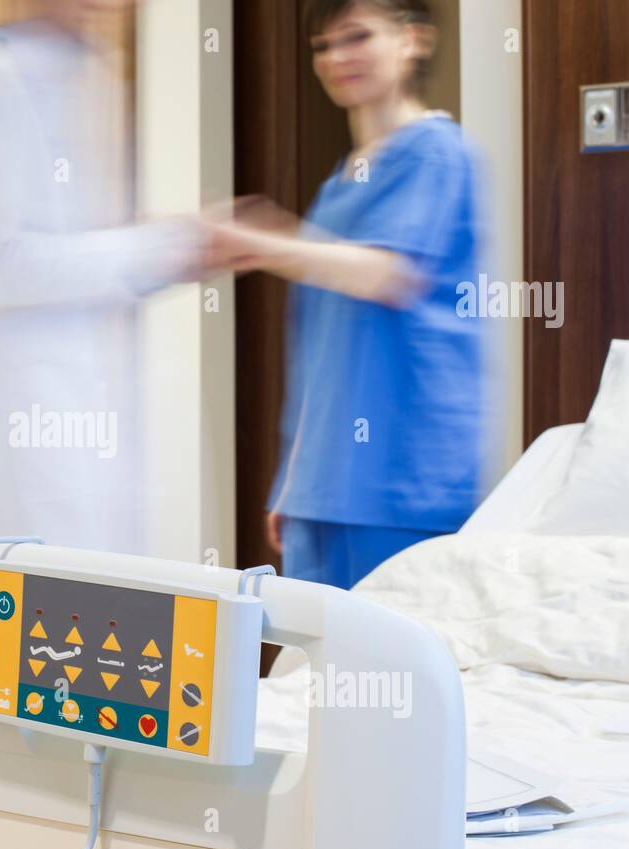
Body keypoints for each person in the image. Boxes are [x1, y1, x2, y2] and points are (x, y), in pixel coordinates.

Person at [0, 0, 226, 554]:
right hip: (23, 442)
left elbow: (72, 244)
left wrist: (161, 245)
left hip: (89, 442)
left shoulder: (89, 74)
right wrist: (165, 248)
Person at [214, 0, 499, 589]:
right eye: (322, 46)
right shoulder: (339, 182)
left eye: (356, 37)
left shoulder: (437, 152)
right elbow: (323, 350)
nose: (336, 58)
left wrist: (261, 240)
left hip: (403, 480)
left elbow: (386, 274)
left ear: (412, 40)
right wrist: (295, 478)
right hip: (325, 485)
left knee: (389, 670)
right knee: (320, 676)